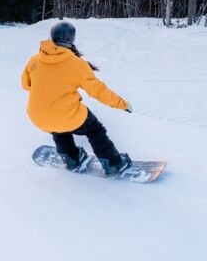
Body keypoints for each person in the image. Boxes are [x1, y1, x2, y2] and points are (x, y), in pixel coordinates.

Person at [21, 21, 133, 175]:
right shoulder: (77, 64)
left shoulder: (34, 60)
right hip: (64, 115)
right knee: (95, 130)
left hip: (37, 117)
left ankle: (71, 158)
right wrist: (122, 104)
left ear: (52, 36)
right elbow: (99, 92)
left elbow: (26, 85)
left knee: (58, 128)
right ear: (71, 40)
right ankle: (113, 163)